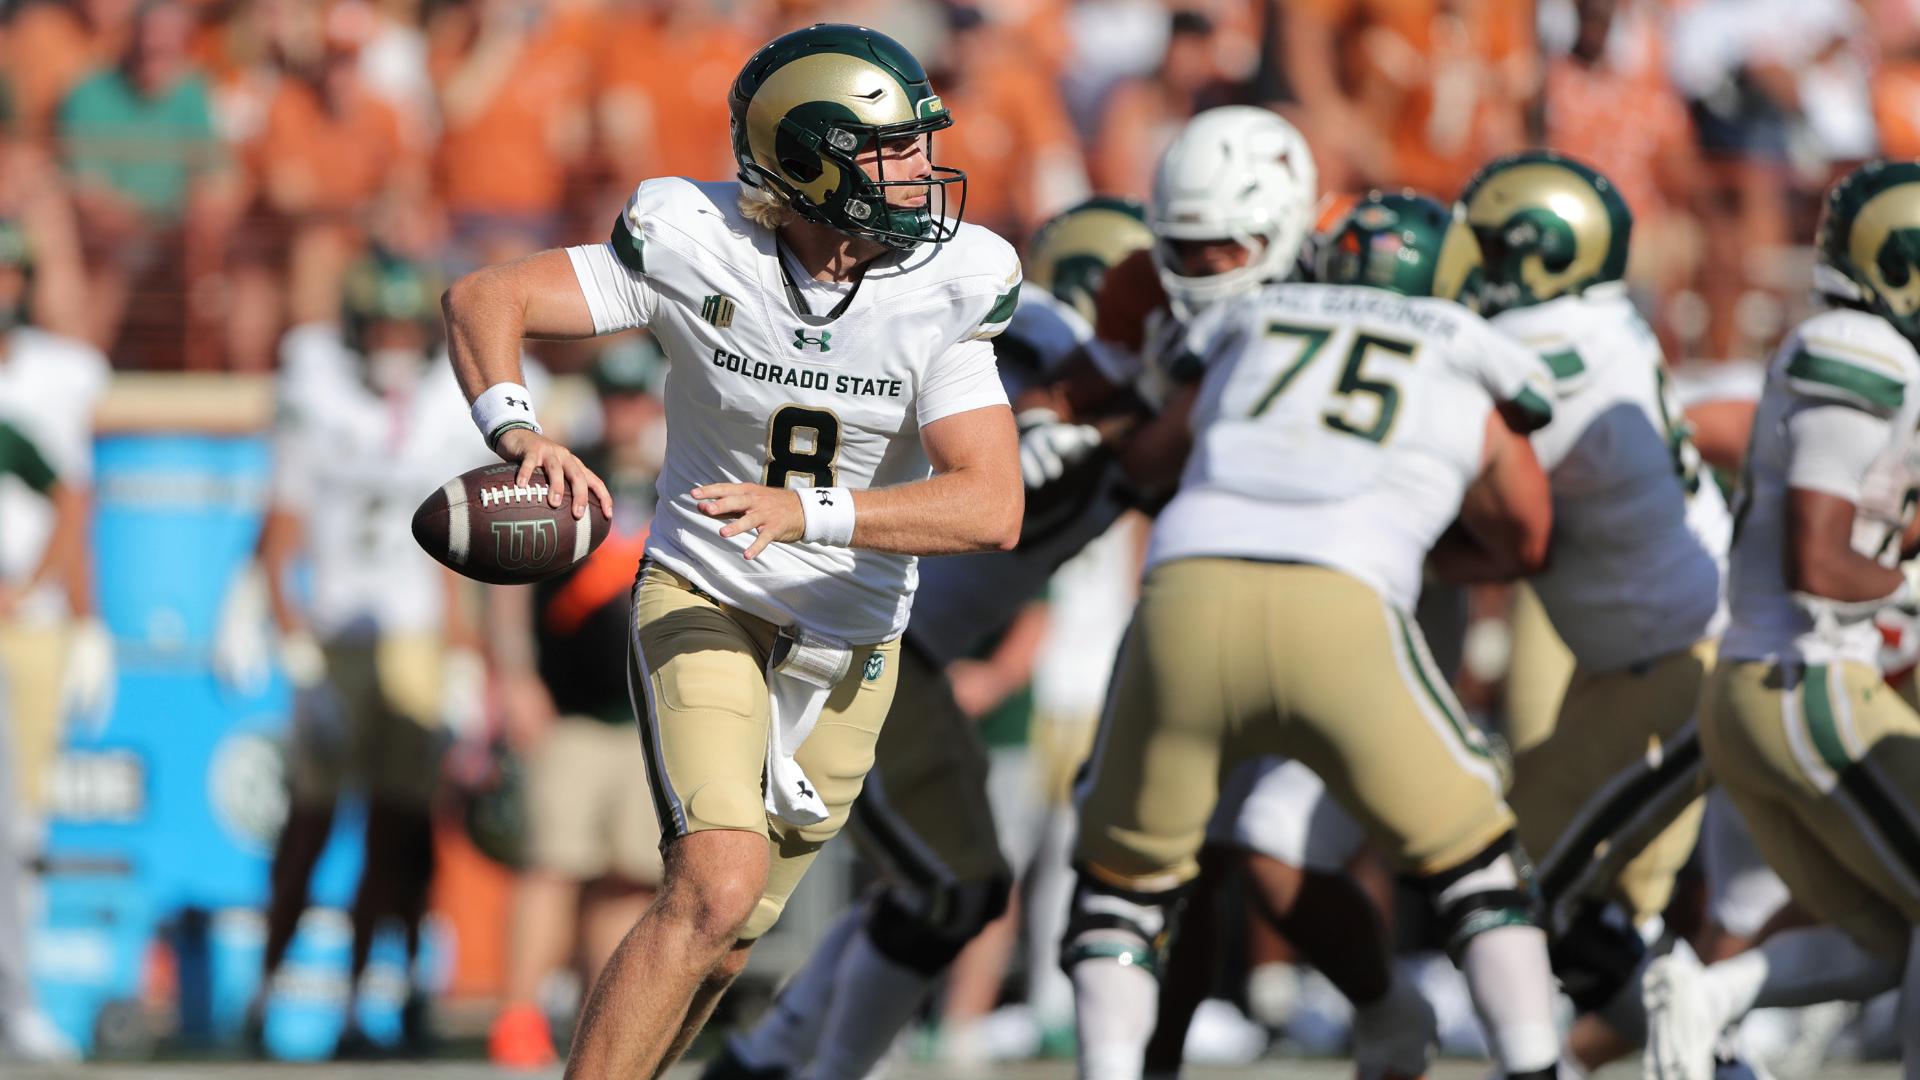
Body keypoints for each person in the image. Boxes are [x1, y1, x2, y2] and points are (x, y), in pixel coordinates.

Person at [438, 24, 1023, 1079]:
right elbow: (488, 295)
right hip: (707, 596)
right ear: (810, 161)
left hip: (853, 648)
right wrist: (518, 428)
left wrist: (814, 514)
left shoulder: (948, 282)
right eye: (891, 150)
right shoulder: (693, 240)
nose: (924, 171)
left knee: (722, 941)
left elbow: (990, 505)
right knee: (710, 886)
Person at [1062, 178, 1566, 1080]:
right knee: (1477, 868)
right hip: (1346, 607)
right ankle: (1535, 1065)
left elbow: (1149, 459)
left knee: (1122, 890)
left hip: (1186, 591)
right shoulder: (1466, 343)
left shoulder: (1254, 320)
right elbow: (1528, 532)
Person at [700, 197, 1151, 1080]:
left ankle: (771, 1058)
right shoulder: (1026, 354)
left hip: (913, 657)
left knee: (949, 887)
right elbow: (1029, 456)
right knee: (944, 887)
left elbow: (1156, 452)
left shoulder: (1120, 393)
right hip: (860, 636)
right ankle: (785, 1063)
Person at [1642, 159, 1920, 1080]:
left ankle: (1711, 998)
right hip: (1807, 682)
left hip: (1768, 686)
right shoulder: (1862, 350)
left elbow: (1870, 530)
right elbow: (1820, 559)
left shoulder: (1855, 346)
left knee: (1880, 939)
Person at [1454, 150, 1728, 1068]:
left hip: (1671, 671)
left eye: (1490, 247)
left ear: (1537, 253)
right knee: (1585, 910)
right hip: (1647, 662)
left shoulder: (1541, 351)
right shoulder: (1599, 320)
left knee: (1505, 880)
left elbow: (1501, 525)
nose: (1473, 264)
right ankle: (1713, 1057)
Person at [225, 253, 495, 1057]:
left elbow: (460, 548)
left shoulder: (447, 413)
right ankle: (264, 997)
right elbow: (277, 539)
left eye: (404, 326)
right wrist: (295, 643)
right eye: (378, 324)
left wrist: (462, 655)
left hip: (413, 640)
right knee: (307, 829)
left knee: (395, 835)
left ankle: (355, 1008)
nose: (391, 340)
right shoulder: (318, 403)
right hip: (337, 636)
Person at [488, 342, 668, 1071]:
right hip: (570, 706)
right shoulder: (560, 475)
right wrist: (515, 677)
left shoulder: (679, 482)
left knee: (627, 876)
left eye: (637, 398)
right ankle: (517, 1018)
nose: (626, 412)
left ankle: (600, 1025)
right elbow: (510, 580)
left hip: (649, 716)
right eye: (616, 397)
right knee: (553, 864)